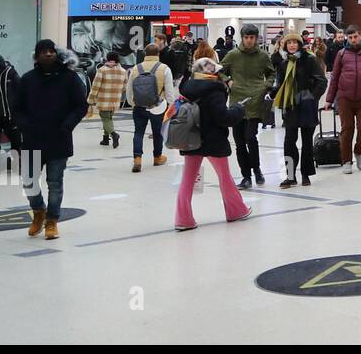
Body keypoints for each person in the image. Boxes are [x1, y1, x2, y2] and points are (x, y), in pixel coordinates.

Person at [16, 40, 87, 241]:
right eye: (43, 52)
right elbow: (17, 107)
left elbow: (81, 105)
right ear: (36, 56)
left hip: (58, 139)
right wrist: (24, 125)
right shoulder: (28, 79)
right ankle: (38, 211)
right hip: (32, 139)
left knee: (54, 183)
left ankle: (52, 221)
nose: (48, 55)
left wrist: (67, 125)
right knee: (29, 181)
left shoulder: (69, 78)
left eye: (51, 51)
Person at [174, 57, 253, 231]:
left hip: (191, 139)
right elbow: (223, 118)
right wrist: (238, 110)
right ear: (210, 73)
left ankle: (183, 219)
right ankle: (236, 211)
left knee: (187, 180)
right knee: (225, 177)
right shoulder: (215, 91)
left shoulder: (187, 88)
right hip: (214, 140)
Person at [219, 24, 274, 189]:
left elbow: (271, 73)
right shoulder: (233, 55)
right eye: (246, 37)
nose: (249, 41)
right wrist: (228, 80)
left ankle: (256, 169)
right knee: (239, 141)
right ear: (242, 38)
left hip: (255, 101)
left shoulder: (263, 56)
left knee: (251, 137)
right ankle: (246, 176)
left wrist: (266, 85)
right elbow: (219, 70)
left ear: (256, 38)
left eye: (252, 37)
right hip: (236, 102)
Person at [268, 32, 326, 187]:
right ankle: (291, 175)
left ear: (300, 44)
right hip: (290, 105)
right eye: (289, 43)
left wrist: (312, 97)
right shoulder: (283, 63)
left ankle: (305, 174)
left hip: (306, 105)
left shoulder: (309, 60)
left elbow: (321, 81)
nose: (292, 45)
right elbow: (279, 83)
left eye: (295, 42)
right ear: (285, 45)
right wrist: (272, 91)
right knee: (289, 142)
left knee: (307, 143)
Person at [324, 25, 361, 174]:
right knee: (347, 130)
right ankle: (346, 160)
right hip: (345, 98)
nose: (352, 40)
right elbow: (335, 77)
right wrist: (329, 99)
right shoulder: (342, 54)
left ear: (360, 35)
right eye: (349, 38)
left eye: (355, 37)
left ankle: (358, 152)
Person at [126, 43, 176, 173]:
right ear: (158, 54)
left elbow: (129, 88)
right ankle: (157, 157)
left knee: (138, 133)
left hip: (139, 106)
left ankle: (137, 159)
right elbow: (170, 91)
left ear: (144, 54)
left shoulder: (136, 68)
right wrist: (171, 106)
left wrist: (132, 103)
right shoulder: (164, 68)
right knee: (157, 133)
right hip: (158, 106)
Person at [86, 50, 126, 148]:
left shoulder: (102, 70)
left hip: (104, 99)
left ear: (107, 58)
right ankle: (105, 139)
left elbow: (95, 86)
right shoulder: (123, 71)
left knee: (105, 118)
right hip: (115, 100)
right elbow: (125, 87)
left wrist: (90, 100)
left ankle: (114, 134)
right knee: (108, 118)